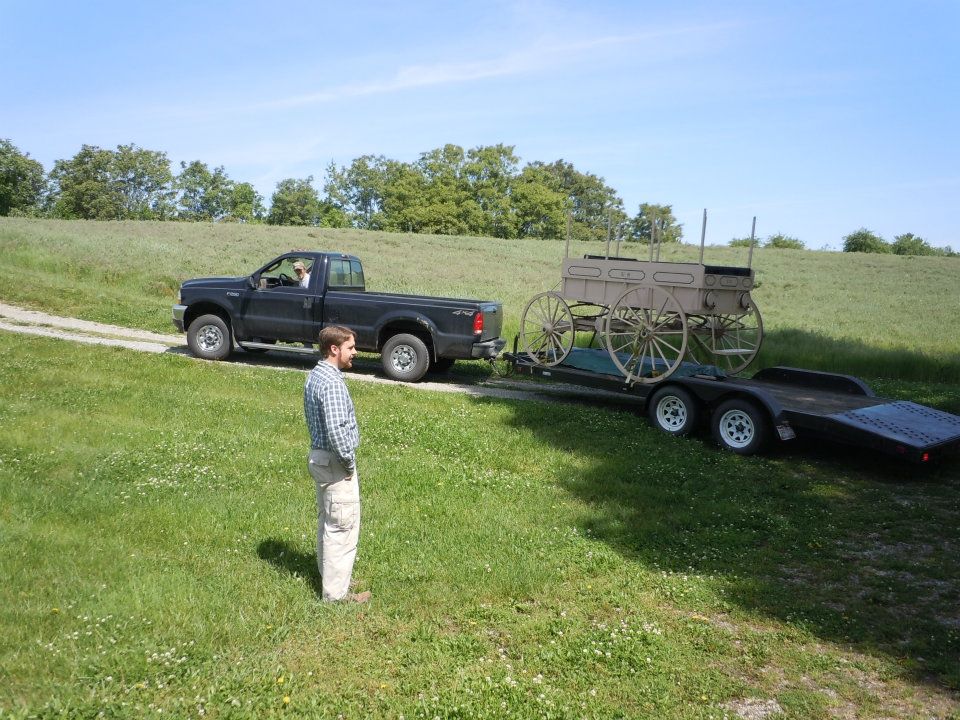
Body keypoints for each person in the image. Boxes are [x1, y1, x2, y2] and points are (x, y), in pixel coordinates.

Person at [303, 325, 370, 603]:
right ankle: (336, 595)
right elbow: (337, 431)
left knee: (329, 521)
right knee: (342, 527)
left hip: (320, 457)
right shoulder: (331, 383)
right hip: (334, 461)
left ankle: (333, 579)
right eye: (350, 347)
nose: (355, 352)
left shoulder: (316, 374)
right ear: (334, 349)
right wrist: (349, 463)